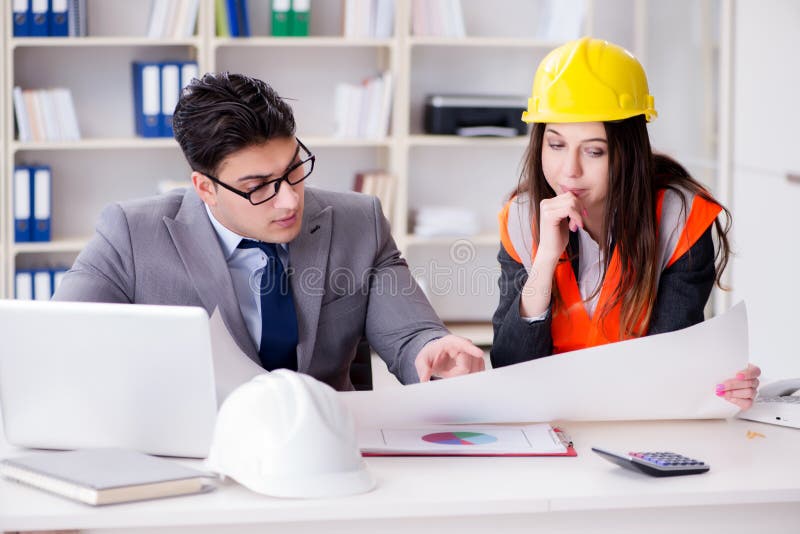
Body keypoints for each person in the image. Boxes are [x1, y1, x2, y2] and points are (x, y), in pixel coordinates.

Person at [53, 72, 485, 390]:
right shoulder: (131, 235)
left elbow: (412, 335)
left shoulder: (360, 221)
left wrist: (432, 351)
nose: (289, 200)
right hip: (193, 458)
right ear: (205, 188)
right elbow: (58, 341)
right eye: (258, 187)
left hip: (324, 452)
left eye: (294, 170)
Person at [490, 37, 759, 410]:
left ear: (627, 151)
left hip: (638, 424)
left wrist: (717, 383)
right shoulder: (520, 219)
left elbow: (667, 370)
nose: (570, 170)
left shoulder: (679, 220)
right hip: (548, 422)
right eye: (556, 145)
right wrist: (545, 261)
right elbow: (508, 366)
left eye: (594, 150)